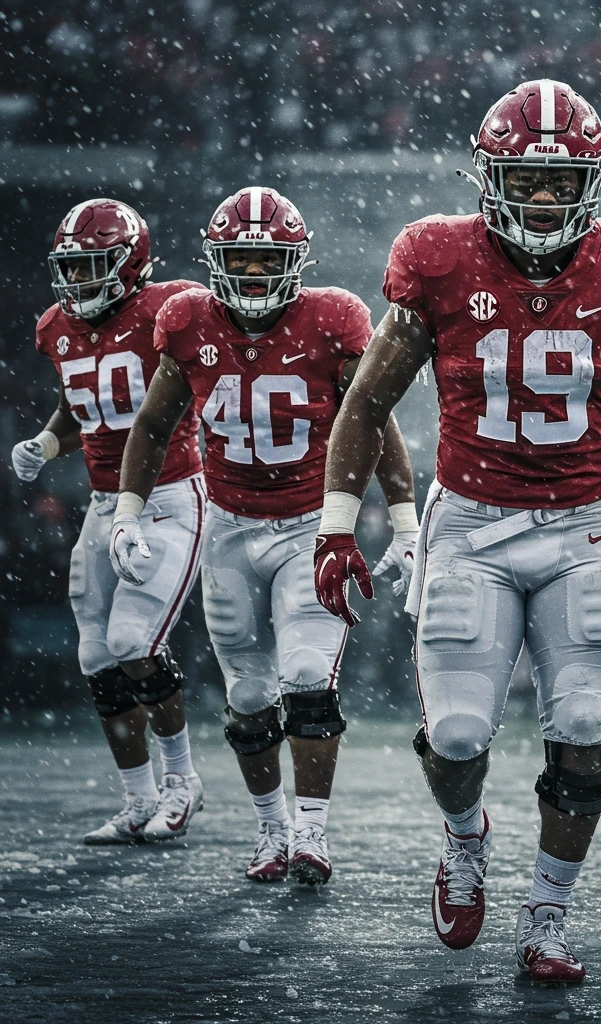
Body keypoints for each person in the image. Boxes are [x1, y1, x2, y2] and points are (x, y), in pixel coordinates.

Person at [314, 80, 601, 981]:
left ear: (591, 180)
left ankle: (548, 918)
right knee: (462, 735)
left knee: (585, 731)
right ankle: (466, 837)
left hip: (584, 522)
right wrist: (331, 529)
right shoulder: (438, 261)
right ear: (489, 176)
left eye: (561, 179)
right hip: (471, 522)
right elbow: (364, 404)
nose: (544, 197)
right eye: (526, 177)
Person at [111, 186, 417, 884]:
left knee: (308, 677)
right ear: (215, 260)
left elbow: (374, 421)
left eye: (266, 259)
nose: (252, 274)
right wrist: (129, 509)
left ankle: (311, 833)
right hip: (229, 527)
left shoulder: (332, 319)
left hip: (312, 525)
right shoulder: (187, 321)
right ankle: (271, 830)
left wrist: (404, 520)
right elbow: (155, 426)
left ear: (296, 261)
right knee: (248, 694)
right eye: (240, 259)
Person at [11, 198, 206, 845]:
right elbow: (84, 403)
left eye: (94, 266)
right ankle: (138, 797)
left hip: (171, 496)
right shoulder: (57, 328)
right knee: (96, 654)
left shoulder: (166, 312)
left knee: (132, 642)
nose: (79, 281)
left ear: (130, 265)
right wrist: (45, 442)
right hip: (102, 504)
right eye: (72, 268)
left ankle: (182, 782)